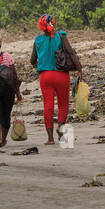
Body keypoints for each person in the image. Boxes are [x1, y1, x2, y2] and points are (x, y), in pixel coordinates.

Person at [30, 14, 81, 145]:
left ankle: (50, 139)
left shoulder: (38, 40)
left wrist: (40, 65)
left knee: (48, 106)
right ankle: (60, 127)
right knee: (63, 104)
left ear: (41, 27)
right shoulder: (61, 36)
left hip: (45, 77)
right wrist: (79, 68)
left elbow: (32, 61)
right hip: (61, 75)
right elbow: (71, 52)